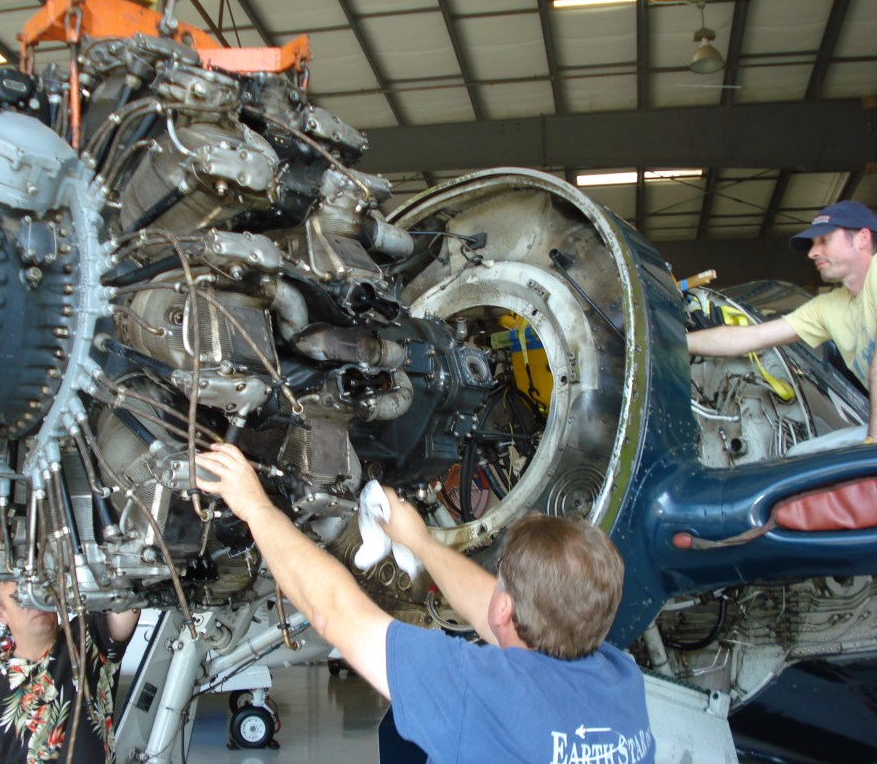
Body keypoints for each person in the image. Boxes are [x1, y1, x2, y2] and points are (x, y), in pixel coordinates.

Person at [195, 443, 655, 764]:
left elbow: (336, 613)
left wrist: (255, 507)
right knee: (401, 733)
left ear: (505, 610)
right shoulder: (619, 679)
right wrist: (419, 541)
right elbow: (498, 612)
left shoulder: (482, 693)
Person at [687, 200, 877, 448]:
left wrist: (874, 440)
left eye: (824, 240)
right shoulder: (829, 307)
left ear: (862, 238)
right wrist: (677, 341)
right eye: (813, 244)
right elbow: (749, 338)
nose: (812, 252)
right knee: (801, 455)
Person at [0, 581, 139, 764]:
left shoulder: (86, 638)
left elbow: (126, 604)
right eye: (22, 596)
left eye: (41, 590)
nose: (35, 601)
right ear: (1, 613)